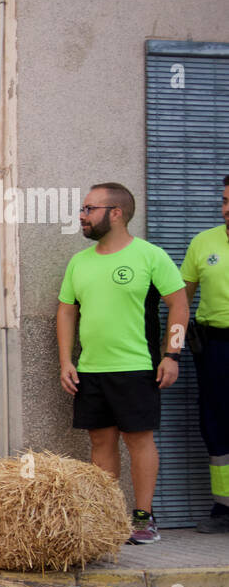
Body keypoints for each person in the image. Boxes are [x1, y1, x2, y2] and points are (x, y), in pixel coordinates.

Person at [57, 182, 189, 545]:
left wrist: (172, 355)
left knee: (139, 440)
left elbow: (179, 305)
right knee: (100, 442)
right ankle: (107, 517)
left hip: (137, 367)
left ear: (115, 214)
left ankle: (143, 519)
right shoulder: (79, 262)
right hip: (91, 370)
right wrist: (66, 360)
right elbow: (67, 311)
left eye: (89, 209)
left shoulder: (150, 256)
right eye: (83, 209)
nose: (82, 216)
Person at [179, 173, 229, 533]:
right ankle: (223, 508)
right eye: (225, 202)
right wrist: (173, 349)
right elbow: (182, 299)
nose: (227, 210)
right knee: (215, 423)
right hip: (214, 346)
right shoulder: (203, 242)